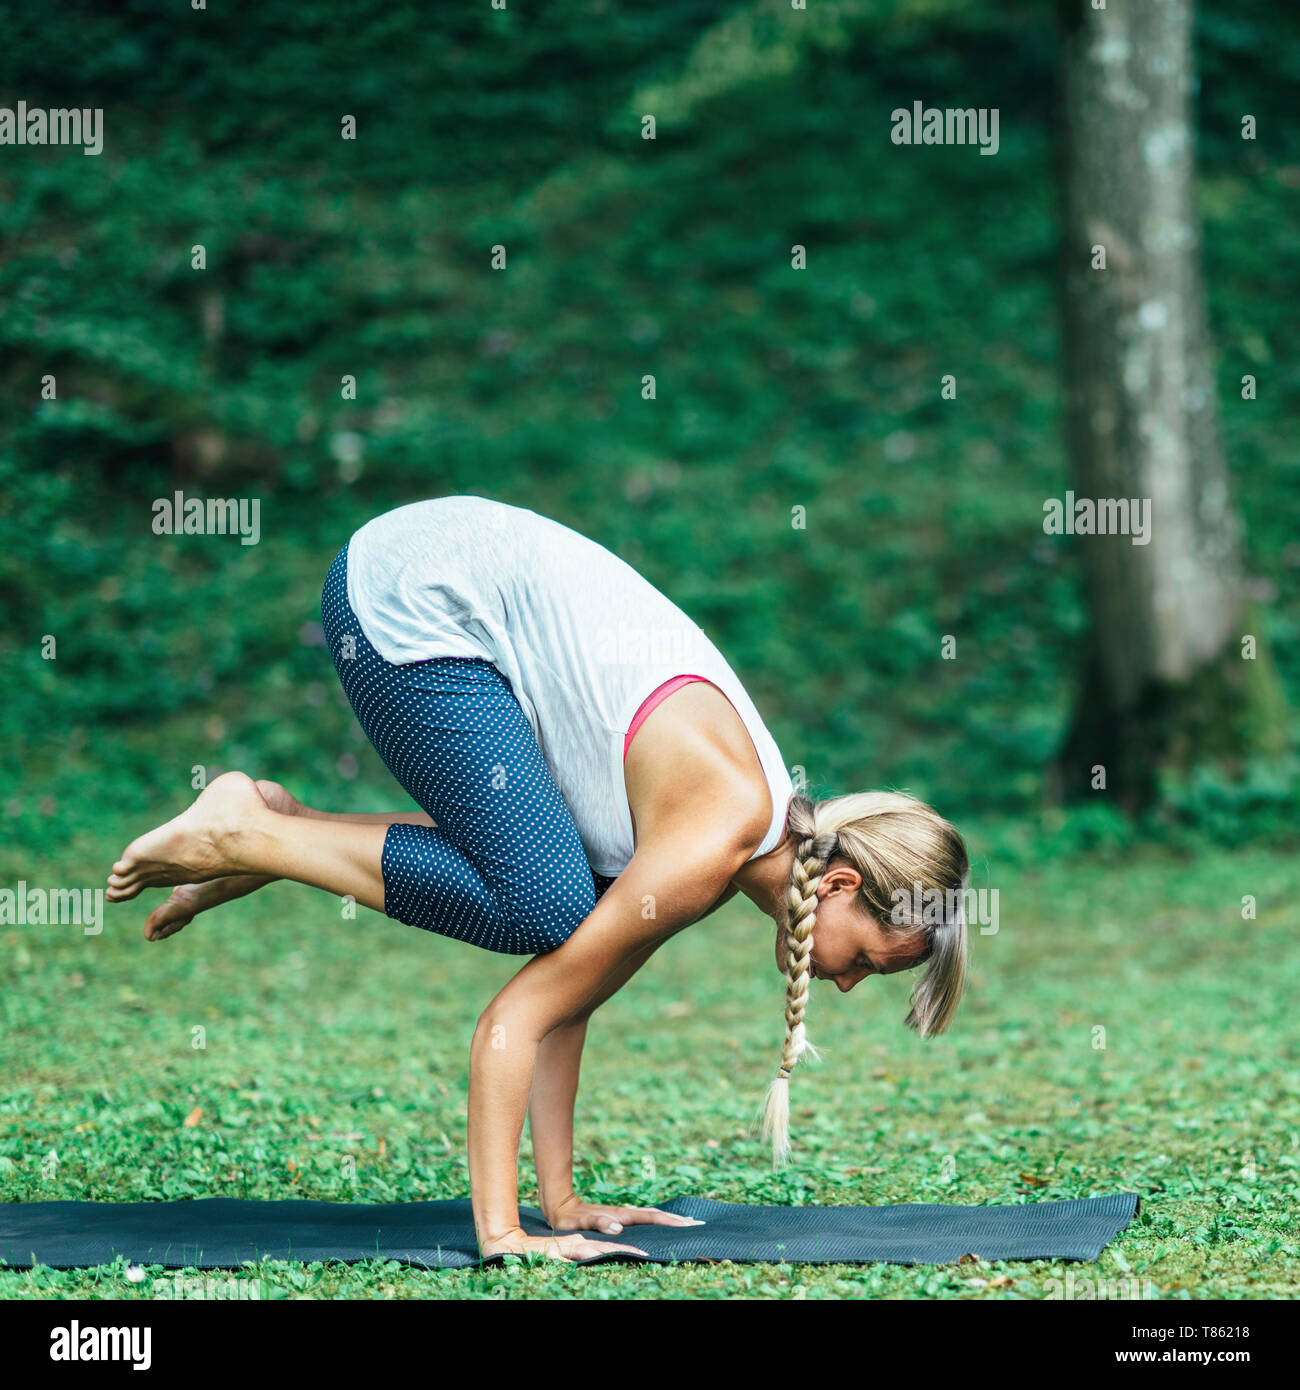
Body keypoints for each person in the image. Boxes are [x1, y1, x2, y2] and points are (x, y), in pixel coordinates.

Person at [106, 495, 970, 1262]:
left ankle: (272, 828)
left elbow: (569, 1000)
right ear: (840, 887)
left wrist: (563, 1204)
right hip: (411, 598)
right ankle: (249, 835)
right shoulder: (715, 840)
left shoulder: (724, 840)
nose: (848, 984)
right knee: (542, 903)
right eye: (869, 961)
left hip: (434, 578)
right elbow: (515, 1018)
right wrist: (504, 1233)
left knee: (561, 907)